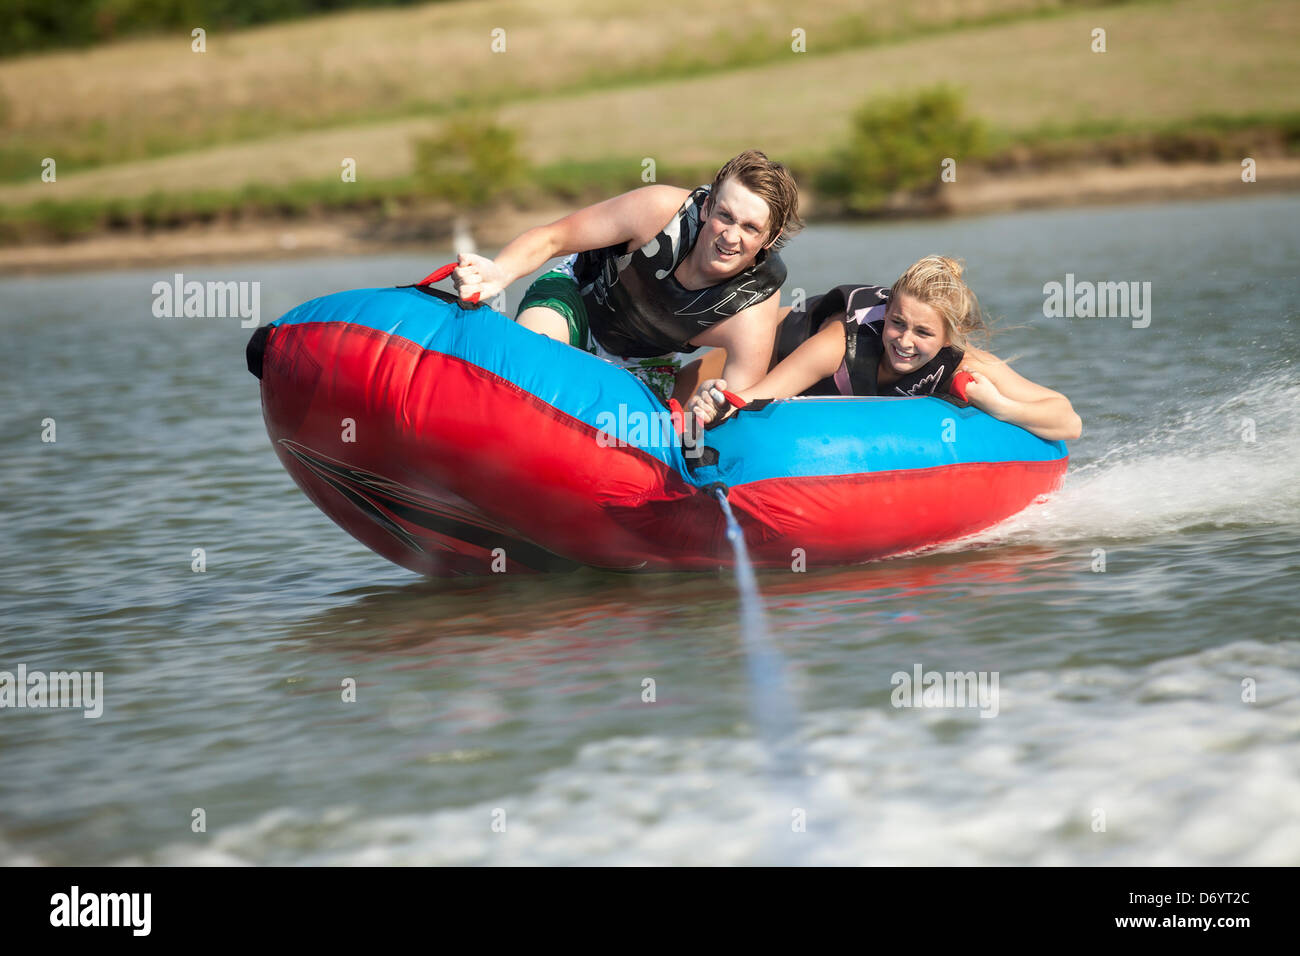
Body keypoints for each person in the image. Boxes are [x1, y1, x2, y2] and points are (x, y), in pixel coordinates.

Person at [450, 150, 802, 401]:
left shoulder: (754, 303)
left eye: (750, 228)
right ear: (707, 206)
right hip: (577, 300)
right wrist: (499, 272)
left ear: (769, 239)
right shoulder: (658, 212)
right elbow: (553, 238)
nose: (730, 237)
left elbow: (737, 398)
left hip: (647, 360)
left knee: (625, 432)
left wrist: (714, 406)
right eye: (725, 216)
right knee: (528, 369)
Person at [685, 255, 1082, 442]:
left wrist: (1001, 408)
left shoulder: (961, 361)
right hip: (766, 345)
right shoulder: (839, 343)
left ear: (949, 335)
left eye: (924, 333)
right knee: (675, 400)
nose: (904, 342)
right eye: (897, 323)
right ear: (886, 313)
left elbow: (1068, 420)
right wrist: (715, 401)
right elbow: (753, 396)